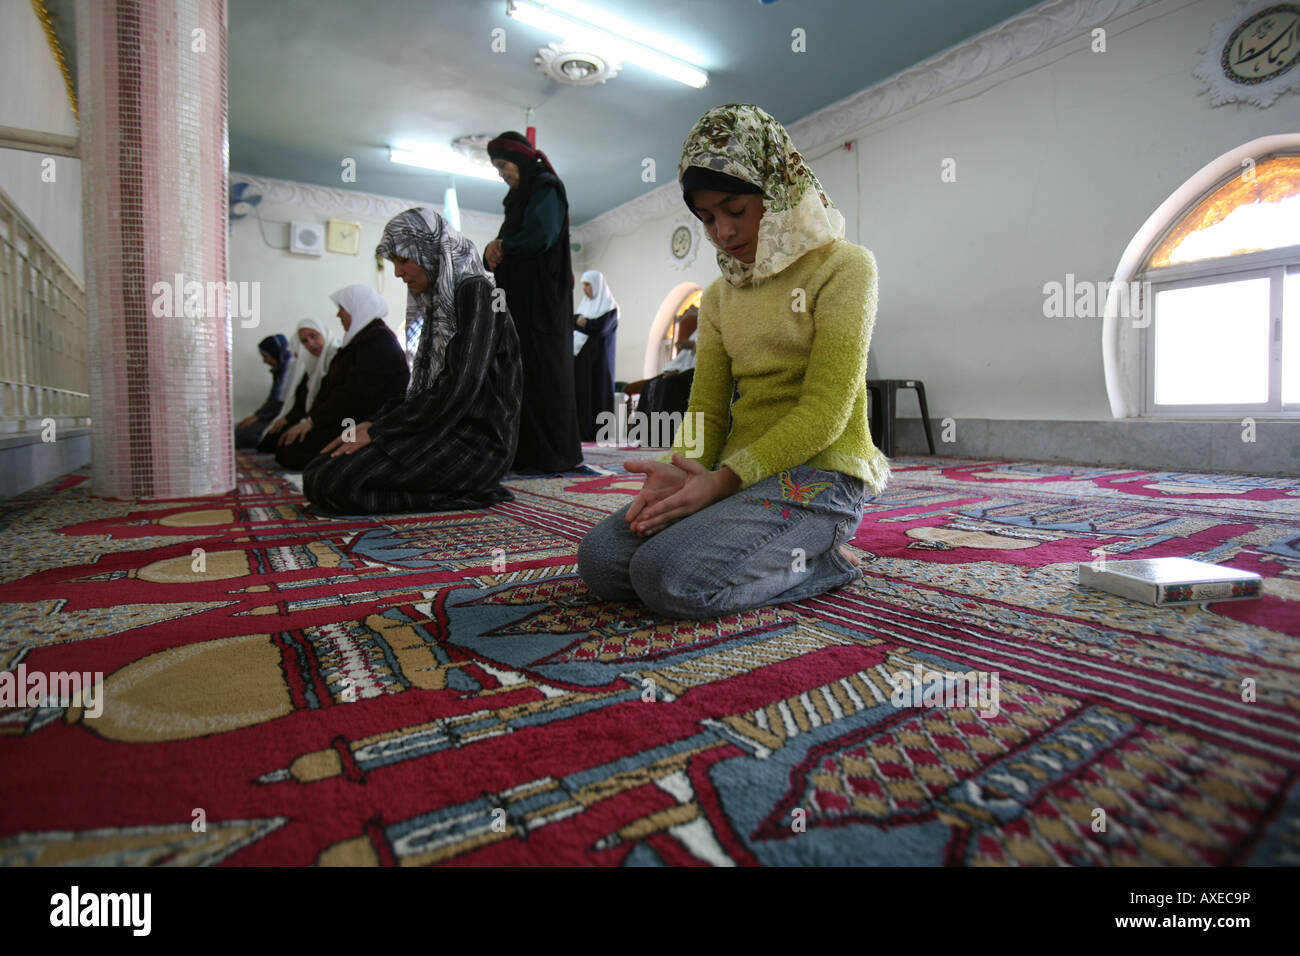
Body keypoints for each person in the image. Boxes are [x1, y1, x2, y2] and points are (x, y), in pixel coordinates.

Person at [578, 104, 890, 619]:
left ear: (775, 191)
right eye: (707, 219)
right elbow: (706, 407)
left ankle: (824, 562)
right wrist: (685, 469)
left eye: (734, 210)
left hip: (820, 476)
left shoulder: (846, 266)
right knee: (603, 561)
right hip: (736, 472)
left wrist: (723, 481)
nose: (722, 232)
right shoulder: (721, 295)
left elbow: (825, 412)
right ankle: (763, 541)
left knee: (668, 580)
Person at [302, 207, 522, 514]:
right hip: (439, 429)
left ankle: (476, 492)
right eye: (393, 263)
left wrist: (381, 431)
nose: (398, 273)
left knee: (333, 483)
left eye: (403, 261)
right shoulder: (441, 301)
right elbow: (421, 388)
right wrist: (376, 422)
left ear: (431, 251)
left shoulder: (478, 293)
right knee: (318, 469)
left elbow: (459, 388)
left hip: (475, 444)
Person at [482, 130, 582, 474]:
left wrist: (503, 246)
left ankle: (551, 455)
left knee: (543, 373)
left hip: (542, 305)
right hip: (520, 302)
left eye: (503, 165)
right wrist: (493, 248)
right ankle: (523, 453)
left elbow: (539, 236)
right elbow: (508, 240)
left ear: (521, 159)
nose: (501, 174)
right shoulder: (517, 198)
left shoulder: (545, 188)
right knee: (519, 372)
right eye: (497, 168)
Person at [275, 284, 408, 471]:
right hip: (345, 417)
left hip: (364, 421)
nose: (338, 315)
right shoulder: (359, 340)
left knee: (292, 450)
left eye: (342, 309)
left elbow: (355, 395)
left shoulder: (378, 341)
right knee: (284, 441)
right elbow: (330, 388)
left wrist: (314, 422)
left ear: (357, 307)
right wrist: (311, 420)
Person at [257, 317, 338, 453]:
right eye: (305, 341)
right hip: (307, 417)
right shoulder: (311, 364)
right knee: (269, 441)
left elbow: (334, 401)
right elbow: (300, 399)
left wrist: (310, 421)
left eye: (313, 336)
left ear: (324, 333)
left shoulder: (336, 358)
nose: (310, 344)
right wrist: (287, 418)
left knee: (289, 449)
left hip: (329, 420)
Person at [573, 269, 619, 441]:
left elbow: (601, 328)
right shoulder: (584, 306)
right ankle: (582, 433)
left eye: (588, 285)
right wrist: (582, 323)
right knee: (583, 396)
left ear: (597, 285)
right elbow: (573, 321)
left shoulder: (610, 307)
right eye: (583, 286)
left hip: (600, 363)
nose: (585, 289)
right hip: (583, 361)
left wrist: (584, 323)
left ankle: (601, 434)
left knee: (599, 395)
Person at [235, 334, 296, 448]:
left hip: (285, 417)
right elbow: (273, 400)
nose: (264, 361)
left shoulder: (292, 367)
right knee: (237, 429)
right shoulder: (280, 370)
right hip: (273, 415)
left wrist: (258, 417)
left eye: (265, 356)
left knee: (242, 434)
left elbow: (281, 403)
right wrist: (257, 416)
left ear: (275, 352)